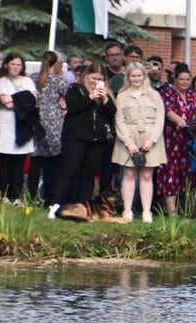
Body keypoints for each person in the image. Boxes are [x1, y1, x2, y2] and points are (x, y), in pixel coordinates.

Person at [49, 60, 116, 210]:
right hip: (75, 137)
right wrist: (90, 97)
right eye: (94, 78)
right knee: (68, 170)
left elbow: (112, 112)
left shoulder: (105, 94)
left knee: (88, 174)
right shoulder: (76, 89)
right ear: (86, 76)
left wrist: (105, 99)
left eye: (100, 79)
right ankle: (56, 204)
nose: (96, 82)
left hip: (97, 139)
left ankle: (84, 206)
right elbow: (73, 108)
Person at [158, 62, 196, 216]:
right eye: (182, 79)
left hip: (189, 139)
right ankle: (171, 211)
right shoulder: (167, 93)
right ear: (175, 79)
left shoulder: (192, 95)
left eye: (187, 79)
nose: (185, 82)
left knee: (190, 173)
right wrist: (178, 120)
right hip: (172, 138)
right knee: (170, 172)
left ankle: (190, 208)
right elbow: (168, 110)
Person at [113, 62, 166, 222]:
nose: (136, 78)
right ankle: (127, 210)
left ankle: (146, 211)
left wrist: (152, 140)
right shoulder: (121, 96)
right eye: (133, 75)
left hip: (150, 139)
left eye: (139, 75)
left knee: (147, 176)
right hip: (128, 139)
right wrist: (129, 143)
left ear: (144, 76)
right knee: (128, 174)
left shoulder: (154, 95)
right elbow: (119, 120)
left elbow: (160, 119)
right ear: (128, 77)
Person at [0, 51, 38, 202]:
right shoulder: (1, 81)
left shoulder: (27, 81)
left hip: (23, 126)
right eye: (12, 64)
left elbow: (32, 102)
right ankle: (3, 195)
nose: (15, 67)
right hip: (6, 125)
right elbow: (6, 103)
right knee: (5, 163)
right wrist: (23, 100)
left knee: (19, 164)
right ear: (6, 65)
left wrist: (15, 100)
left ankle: (16, 196)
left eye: (18, 65)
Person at [29, 50, 67, 206]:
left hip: (36, 119)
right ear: (56, 63)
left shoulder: (32, 78)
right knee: (53, 162)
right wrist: (63, 105)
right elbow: (71, 97)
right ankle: (50, 197)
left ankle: (31, 198)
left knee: (35, 162)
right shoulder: (58, 81)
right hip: (53, 121)